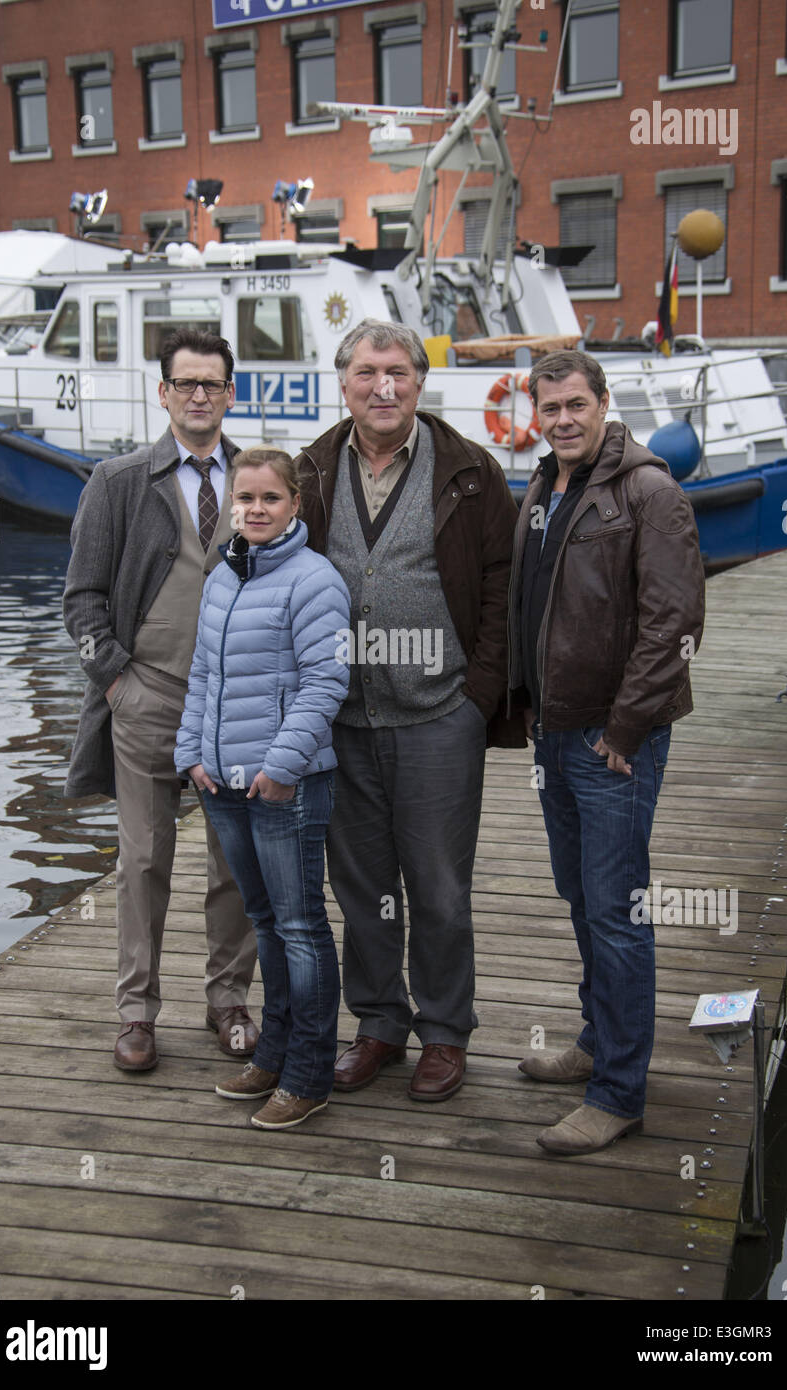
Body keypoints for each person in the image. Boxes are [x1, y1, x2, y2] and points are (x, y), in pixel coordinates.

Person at [296, 318, 524, 1103]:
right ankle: (380, 1025)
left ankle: (445, 1032)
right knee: (360, 885)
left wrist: (476, 698)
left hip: (438, 715)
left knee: (436, 885)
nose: (382, 387)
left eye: (397, 372)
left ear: (419, 384)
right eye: (366, 373)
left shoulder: (469, 471)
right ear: (344, 382)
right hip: (342, 717)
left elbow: (501, 590)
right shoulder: (312, 469)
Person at [509, 349, 705, 1155]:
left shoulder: (649, 492)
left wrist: (625, 731)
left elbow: (675, 624)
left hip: (610, 740)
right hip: (554, 734)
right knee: (582, 897)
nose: (562, 420)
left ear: (603, 403)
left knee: (619, 912)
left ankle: (618, 1092)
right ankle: (598, 1040)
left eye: (575, 406)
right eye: (549, 408)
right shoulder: (545, 488)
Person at [63, 328, 259, 1072]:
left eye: (213, 383)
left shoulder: (256, 479)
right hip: (145, 699)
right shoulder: (117, 482)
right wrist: (116, 682)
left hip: (236, 708)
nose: (201, 395)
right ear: (165, 393)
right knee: (143, 859)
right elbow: (80, 601)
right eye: (187, 384)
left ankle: (229, 1000)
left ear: (231, 394)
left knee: (235, 861)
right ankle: (137, 1013)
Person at [175, 448, 350, 1129]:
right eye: (244, 498)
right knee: (267, 923)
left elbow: (325, 683)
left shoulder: (315, 581)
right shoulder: (224, 575)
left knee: (302, 927)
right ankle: (273, 1054)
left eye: (269, 499)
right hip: (221, 782)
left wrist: (282, 765)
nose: (254, 509)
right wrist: (191, 752)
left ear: (294, 505)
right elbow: (202, 678)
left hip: (286, 786)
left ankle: (309, 1074)